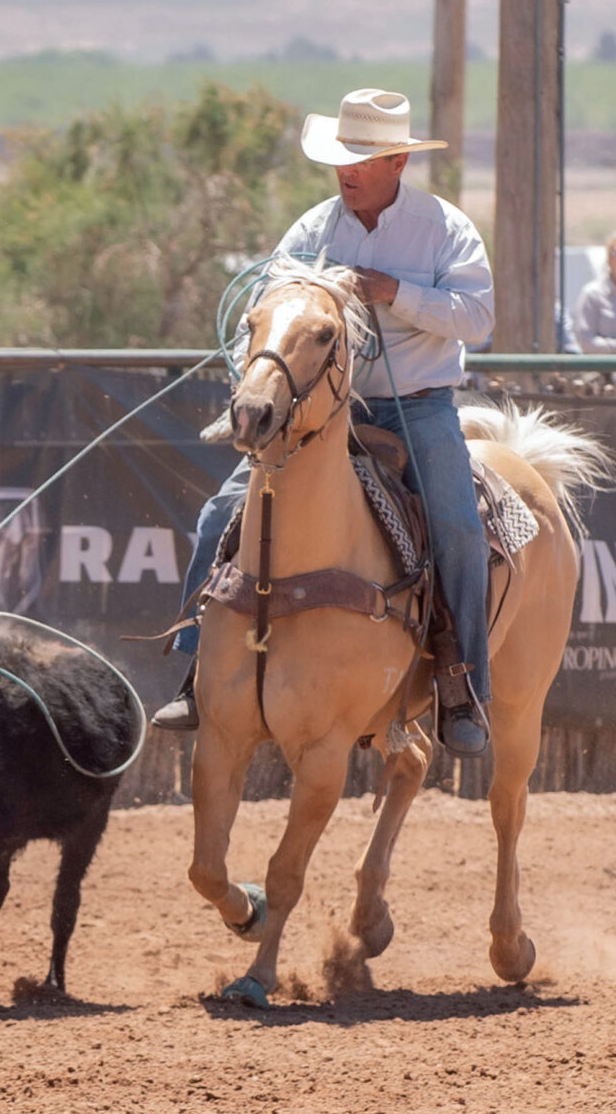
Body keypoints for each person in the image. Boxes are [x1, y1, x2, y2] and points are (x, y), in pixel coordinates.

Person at [152, 87, 496, 756]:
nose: (348, 168)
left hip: (418, 405)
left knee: (457, 524)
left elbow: (478, 317)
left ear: (397, 161)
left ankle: (462, 681)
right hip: (320, 408)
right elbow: (264, 310)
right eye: (343, 155)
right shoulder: (312, 232)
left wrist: (395, 292)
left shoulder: (444, 228)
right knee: (219, 516)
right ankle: (197, 666)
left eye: (363, 156)